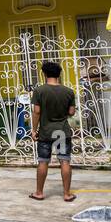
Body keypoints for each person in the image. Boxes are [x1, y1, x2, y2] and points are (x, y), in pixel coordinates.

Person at [30, 60, 78, 202]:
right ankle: (67, 194)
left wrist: (34, 130)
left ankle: (39, 193)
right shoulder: (68, 91)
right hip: (62, 132)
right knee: (64, 161)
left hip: (45, 132)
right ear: (59, 74)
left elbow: (37, 112)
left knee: (43, 162)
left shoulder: (39, 91)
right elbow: (71, 111)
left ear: (44, 74)